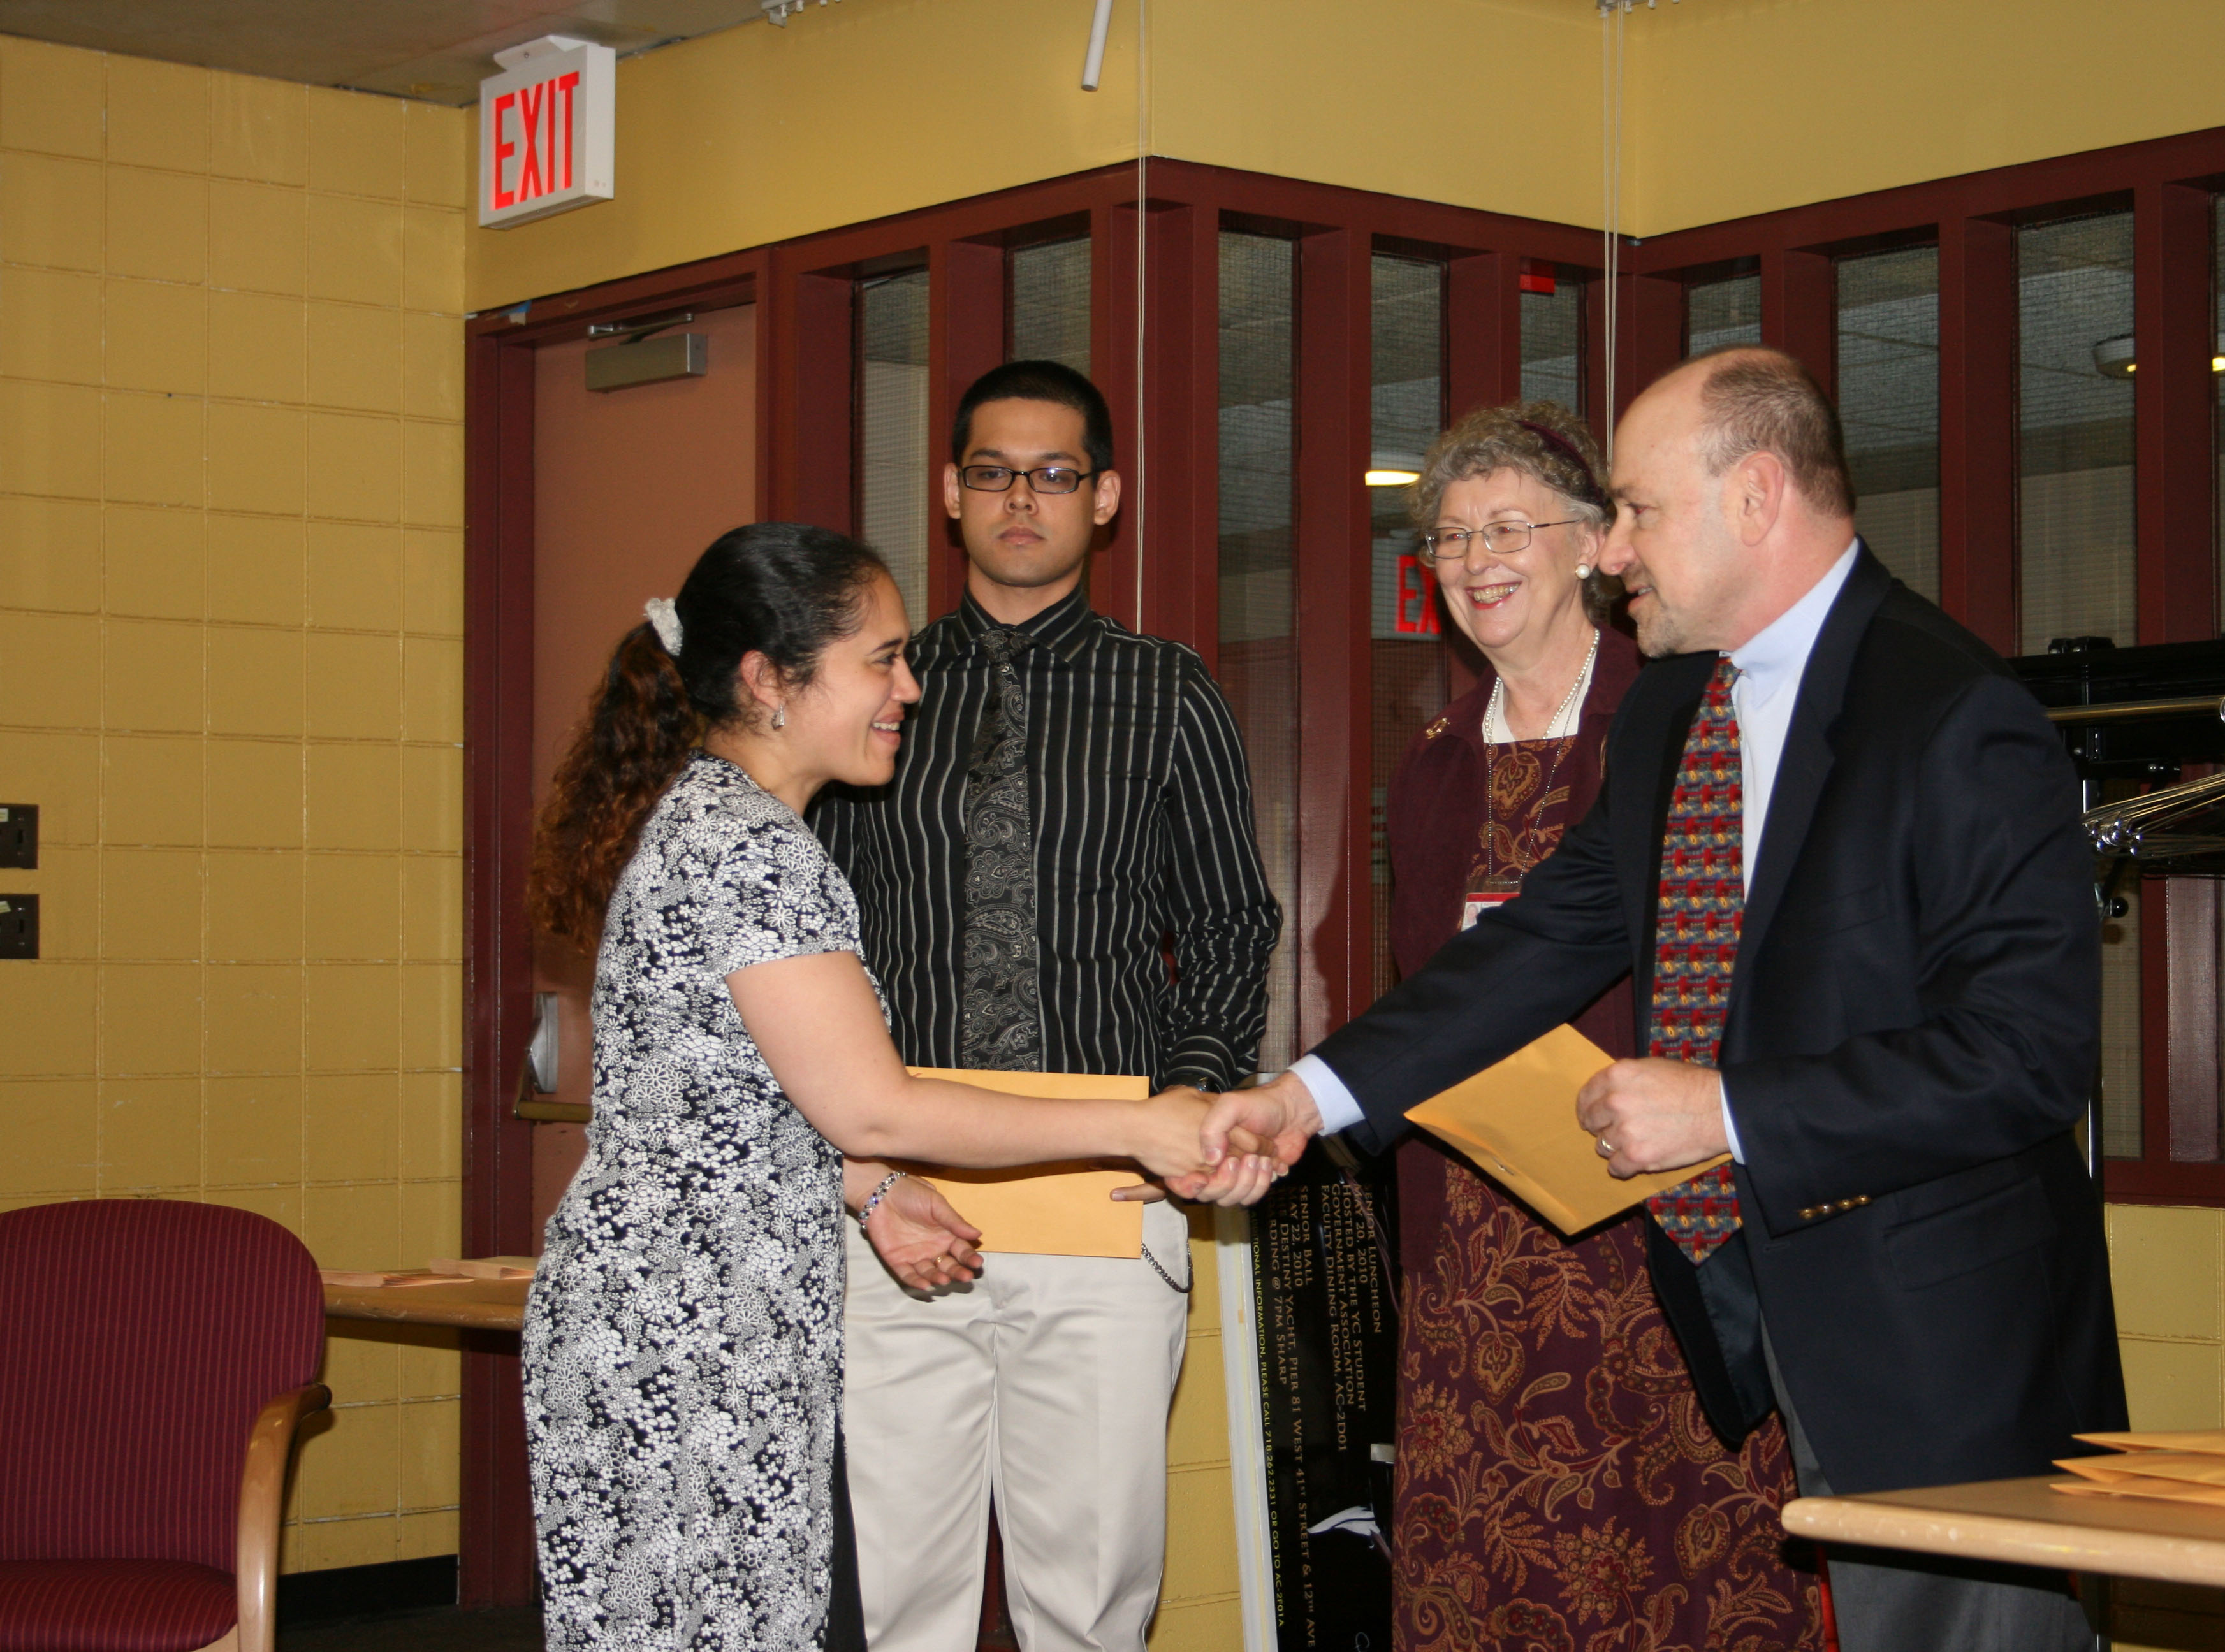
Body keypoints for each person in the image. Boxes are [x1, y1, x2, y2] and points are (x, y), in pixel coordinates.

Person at [1185, 349, 2127, 1652]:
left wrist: (1726, 1111)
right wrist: (1308, 1098)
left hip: (1937, 1353)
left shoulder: (1953, 708)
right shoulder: (1681, 704)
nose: (1615, 549)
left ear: (1756, 497)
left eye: (1637, 510)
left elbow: (2029, 1056)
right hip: (1743, 1314)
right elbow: (1541, 940)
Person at [520, 523, 1274, 1652]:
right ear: (770, 681)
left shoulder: (722, 823)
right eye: (880, 659)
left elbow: (742, 1101)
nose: (910, 689)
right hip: (695, 1331)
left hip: (694, 1314)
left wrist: (871, 1190)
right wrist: (1142, 1126)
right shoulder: (752, 850)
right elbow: (872, 1104)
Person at [810, 361, 1281, 1652]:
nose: (1022, 498)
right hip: (898, 1200)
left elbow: (1230, 924)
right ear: (951, 493)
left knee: (1089, 1594)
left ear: (1105, 497)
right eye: (994, 472)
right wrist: (860, 1164)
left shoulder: (1168, 690)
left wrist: (1184, 1107)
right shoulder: (877, 695)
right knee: (893, 1592)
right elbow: (816, 942)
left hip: (1104, 1194)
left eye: (1055, 474)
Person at [1383, 400, 1820, 1651]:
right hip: (1472, 1234)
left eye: (1507, 527)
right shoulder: (1432, 762)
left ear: (1593, 543)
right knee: (1487, 1563)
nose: (1475, 560)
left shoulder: (1687, 720)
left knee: (1666, 1564)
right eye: (1451, 536)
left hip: (1657, 1220)